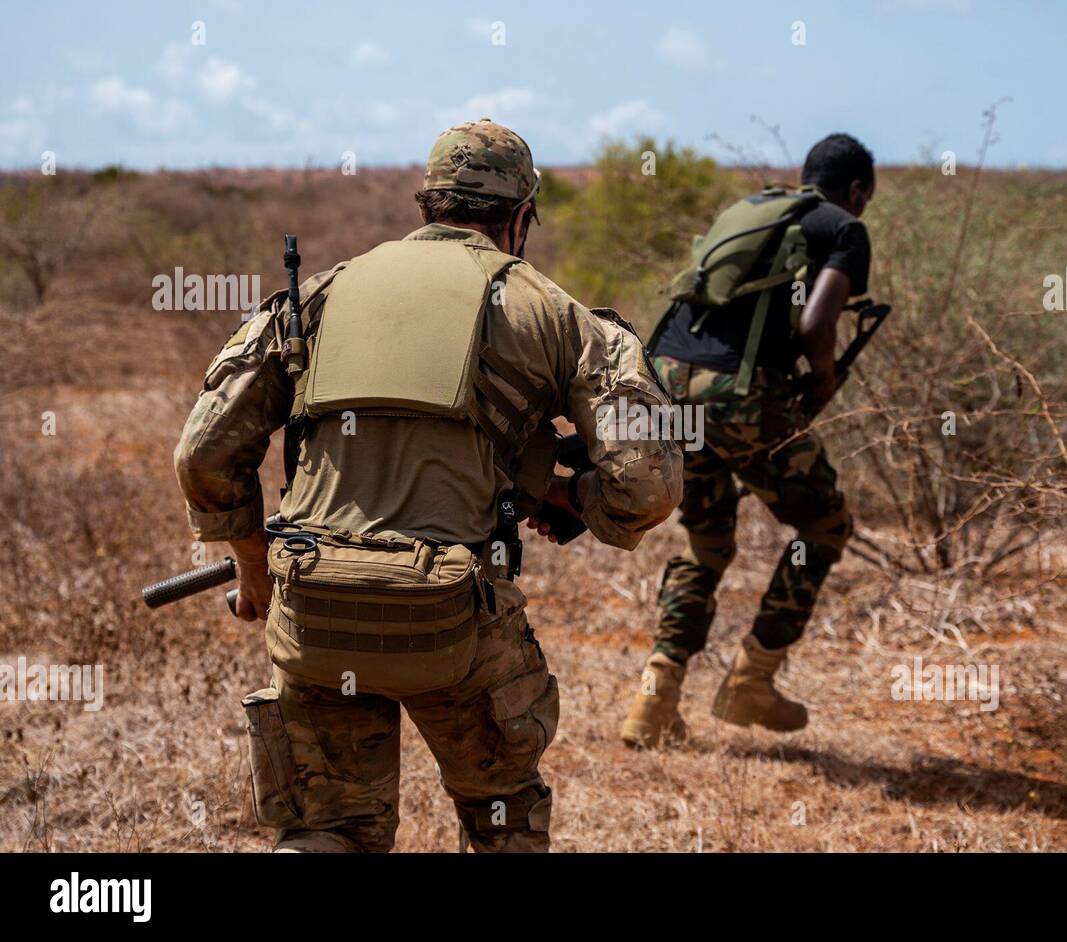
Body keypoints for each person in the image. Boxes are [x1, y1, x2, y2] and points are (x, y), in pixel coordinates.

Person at [174, 118, 682, 851]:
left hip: (317, 617)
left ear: (425, 209)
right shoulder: (558, 315)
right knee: (503, 816)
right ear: (521, 218)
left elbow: (202, 453)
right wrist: (576, 500)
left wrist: (256, 573)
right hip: (458, 620)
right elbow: (648, 484)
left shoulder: (316, 296)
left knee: (328, 829)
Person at [620, 133, 874, 748]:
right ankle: (751, 682)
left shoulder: (754, 212)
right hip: (736, 395)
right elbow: (816, 323)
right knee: (823, 526)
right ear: (859, 190)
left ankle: (653, 703)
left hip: (668, 387)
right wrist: (824, 382)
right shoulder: (844, 229)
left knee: (705, 542)